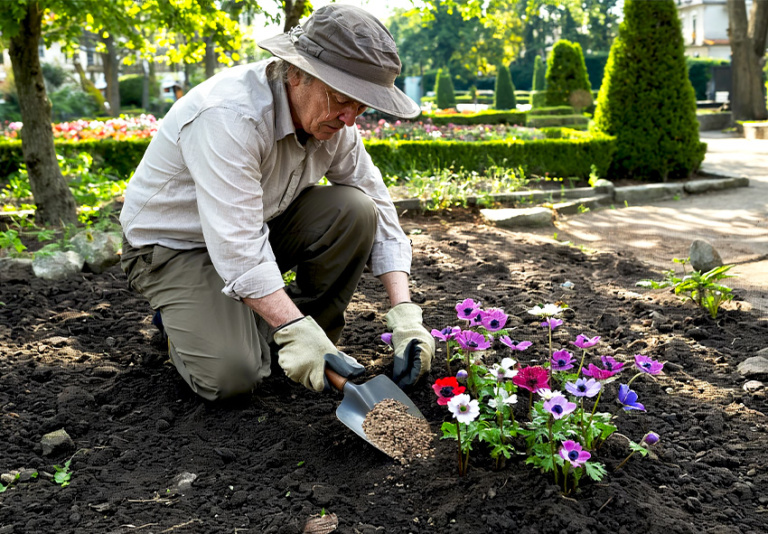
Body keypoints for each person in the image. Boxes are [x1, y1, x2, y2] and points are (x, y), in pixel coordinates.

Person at [119, 5, 435, 401]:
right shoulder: (229, 116)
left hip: (256, 229)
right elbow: (237, 246)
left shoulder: (333, 121)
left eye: (362, 106)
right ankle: (191, 325)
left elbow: (378, 205)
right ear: (298, 72)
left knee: (356, 209)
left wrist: (405, 315)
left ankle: (303, 341)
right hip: (176, 248)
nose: (350, 119)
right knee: (233, 377)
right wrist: (289, 326)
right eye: (342, 99)